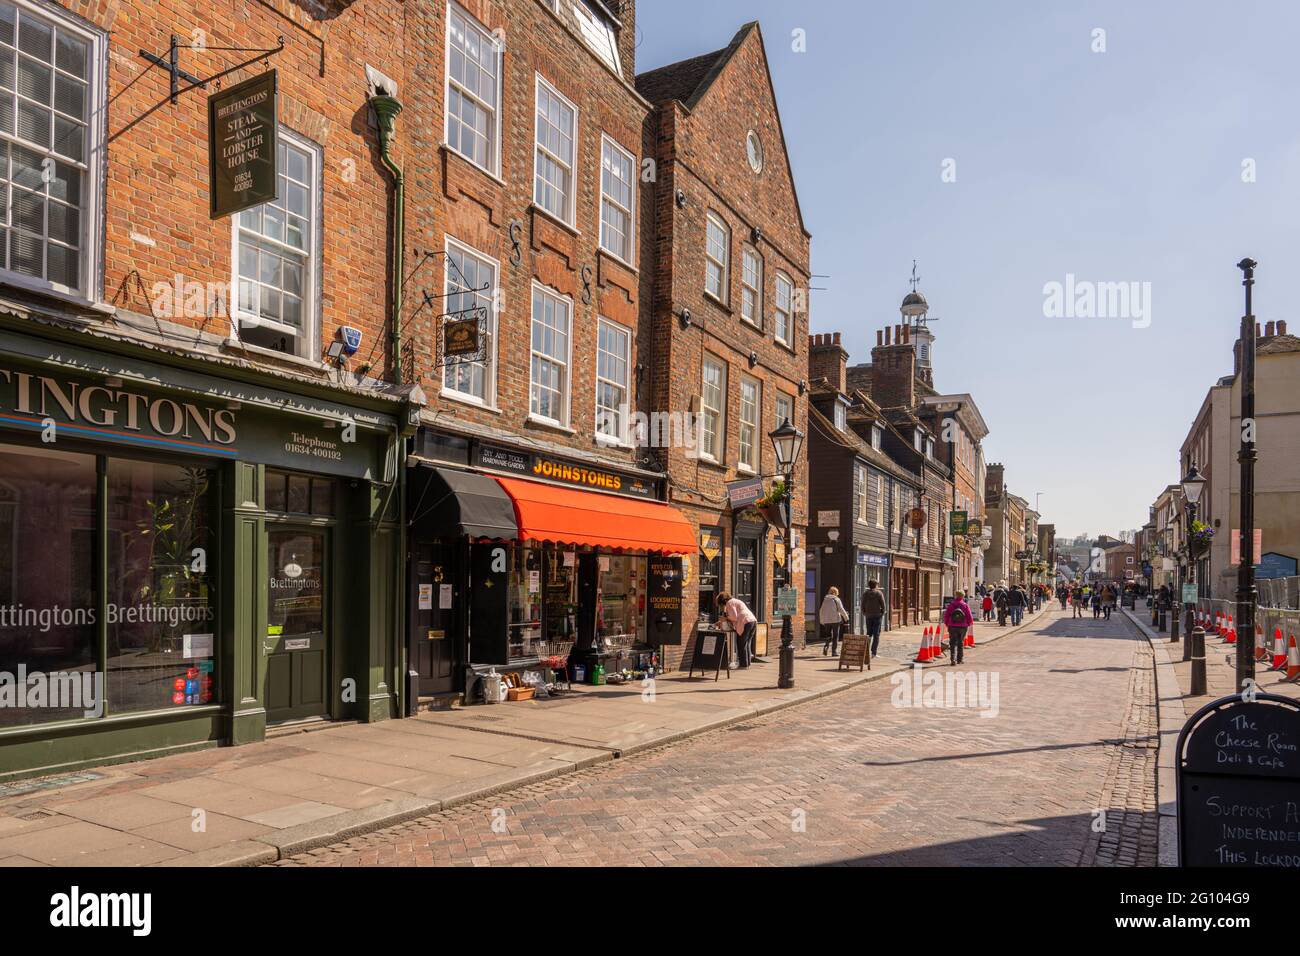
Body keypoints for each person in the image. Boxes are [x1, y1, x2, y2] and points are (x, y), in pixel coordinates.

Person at [717, 592, 757, 668]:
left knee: (741, 644)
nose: (722, 606)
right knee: (747, 644)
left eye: (721, 604)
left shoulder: (729, 603)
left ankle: (743, 665)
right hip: (752, 621)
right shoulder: (735, 601)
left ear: (723, 601)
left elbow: (734, 617)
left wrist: (725, 618)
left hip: (745, 622)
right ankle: (747, 664)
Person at [943, 590, 973, 665]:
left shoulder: (951, 605)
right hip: (963, 626)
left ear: (956, 596)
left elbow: (946, 615)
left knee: (952, 643)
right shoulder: (965, 605)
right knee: (960, 643)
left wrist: (947, 623)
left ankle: (953, 659)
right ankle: (960, 659)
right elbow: (969, 616)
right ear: (963, 596)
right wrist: (969, 623)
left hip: (952, 625)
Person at [818, 586, 850, 657]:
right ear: (836, 592)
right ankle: (834, 652)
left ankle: (826, 646)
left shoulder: (825, 600)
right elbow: (841, 609)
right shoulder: (836, 599)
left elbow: (821, 611)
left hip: (827, 621)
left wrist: (822, 620)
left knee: (828, 635)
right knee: (835, 636)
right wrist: (846, 617)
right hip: (835, 620)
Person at [860, 579, 886, 659]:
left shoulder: (865, 594)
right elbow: (883, 605)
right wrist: (882, 613)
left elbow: (862, 604)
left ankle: (866, 651)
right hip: (877, 616)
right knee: (876, 634)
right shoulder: (879, 593)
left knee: (869, 634)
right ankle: (873, 653)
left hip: (868, 616)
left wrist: (865, 613)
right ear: (876, 585)